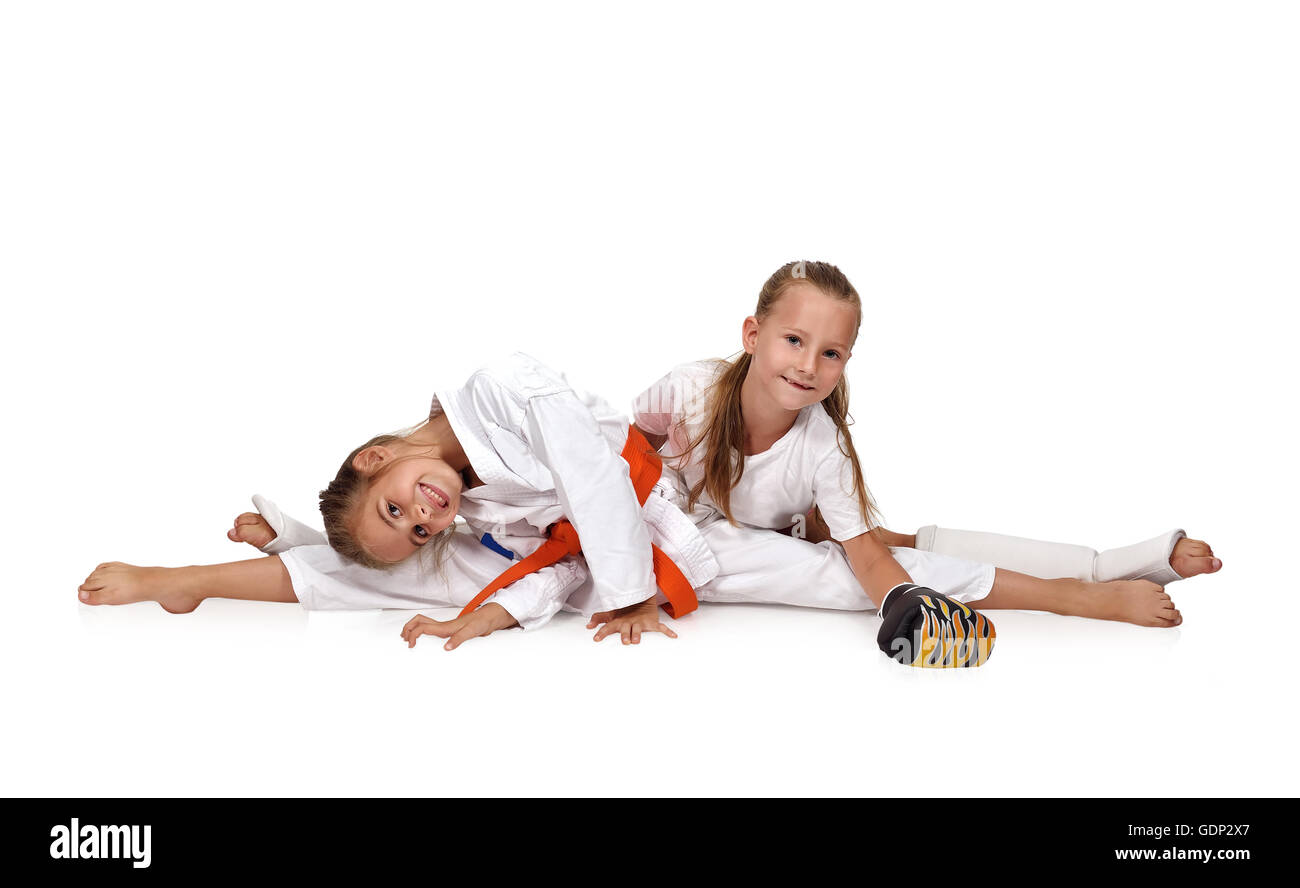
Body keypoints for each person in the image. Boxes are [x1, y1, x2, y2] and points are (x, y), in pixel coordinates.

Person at [602, 259, 1221, 634]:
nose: (808, 364)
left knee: (876, 555)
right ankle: (1082, 585)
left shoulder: (825, 448)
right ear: (752, 334)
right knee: (866, 553)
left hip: (782, 527)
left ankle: (1090, 573)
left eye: (831, 353)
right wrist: (632, 586)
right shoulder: (688, 390)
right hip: (704, 539)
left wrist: (904, 607)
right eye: (793, 339)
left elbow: (872, 566)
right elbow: (620, 466)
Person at [78, 352, 719, 649]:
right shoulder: (457, 492)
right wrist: (497, 611)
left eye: (396, 508)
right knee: (408, 570)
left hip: (662, 509)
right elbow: (552, 556)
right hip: (566, 551)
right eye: (420, 526)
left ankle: (236, 570)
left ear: (375, 458)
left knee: (801, 572)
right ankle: (193, 579)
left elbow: (595, 480)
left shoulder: (502, 390)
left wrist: (629, 593)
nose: (424, 516)